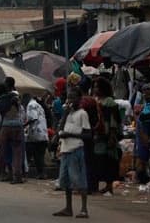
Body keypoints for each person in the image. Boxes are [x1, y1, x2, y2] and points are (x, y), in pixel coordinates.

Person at [54, 88, 91, 219]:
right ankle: (68, 208)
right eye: (69, 98)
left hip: (76, 149)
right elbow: (60, 128)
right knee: (66, 181)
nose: (70, 101)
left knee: (79, 179)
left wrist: (70, 134)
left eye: (73, 98)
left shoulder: (82, 114)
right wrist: (64, 114)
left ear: (79, 99)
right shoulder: (67, 113)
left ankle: (84, 209)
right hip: (65, 150)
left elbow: (87, 134)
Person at [92, 77, 121, 195]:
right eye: (94, 86)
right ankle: (100, 185)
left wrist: (112, 136)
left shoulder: (109, 102)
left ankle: (109, 186)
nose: (95, 89)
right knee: (98, 160)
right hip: (97, 135)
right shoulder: (95, 100)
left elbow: (114, 120)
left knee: (109, 161)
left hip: (107, 135)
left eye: (97, 86)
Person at [0, 77, 25, 184]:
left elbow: (1, 118)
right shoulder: (15, 97)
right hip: (17, 125)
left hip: (5, 127)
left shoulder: (0, 102)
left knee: (2, 151)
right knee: (17, 152)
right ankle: (17, 177)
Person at [23, 92, 48, 179]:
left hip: (37, 133)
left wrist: (23, 125)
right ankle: (41, 173)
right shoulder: (37, 104)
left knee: (37, 154)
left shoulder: (31, 105)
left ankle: (41, 173)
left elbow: (33, 118)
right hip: (42, 133)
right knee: (40, 155)